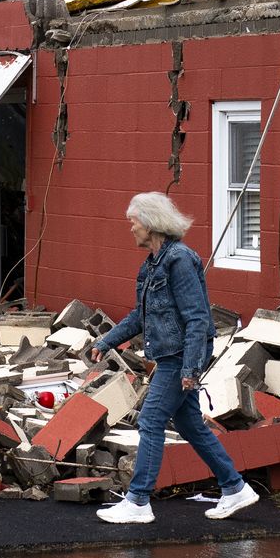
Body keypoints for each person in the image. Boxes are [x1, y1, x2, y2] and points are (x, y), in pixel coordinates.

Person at [87, 192, 260, 524]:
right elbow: (140, 317)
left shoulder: (179, 259)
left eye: (133, 221)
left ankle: (138, 501)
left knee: (150, 421)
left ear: (150, 223)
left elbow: (198, 318)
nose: (131, 228)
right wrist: (107, 341)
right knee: (189, 425)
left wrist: (191, 367)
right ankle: (235, 488)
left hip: (179, 356)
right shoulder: (151, 265)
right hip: (171, 355)